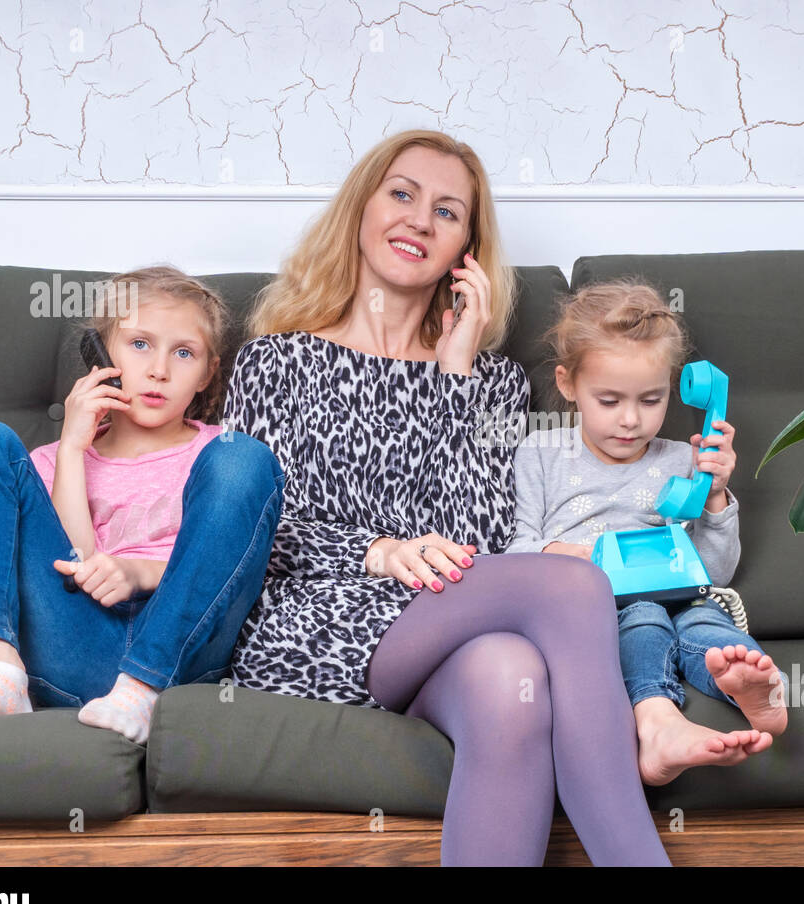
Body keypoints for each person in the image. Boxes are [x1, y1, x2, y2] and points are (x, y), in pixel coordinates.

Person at [223, 129, 670, 866]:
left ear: (468, 248)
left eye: (447, 211)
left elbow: (481, 543)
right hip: (314, 619)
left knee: (511, 679)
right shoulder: (279, 360)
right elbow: (259, 535)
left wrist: (453, 376)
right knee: (570, 586)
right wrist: (380, 550)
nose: (419, 220)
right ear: (361, 210)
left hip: (439, 619)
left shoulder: (491, 382)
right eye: (401, 194)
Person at [0, 267, 285, 745]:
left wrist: (140, 573)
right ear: (100, 355)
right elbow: (74, 566)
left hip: (178, 659)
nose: (159, 370)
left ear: (208, 373)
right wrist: (72, 447)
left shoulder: (223, 456)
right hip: (69, 647)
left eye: (183, 352)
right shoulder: (51, 461)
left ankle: (141, 690)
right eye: (139, 344)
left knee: (246, 457)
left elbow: (231, 564)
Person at [505, 280, 788, 786]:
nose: (631, 421)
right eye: (609, 400)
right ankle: (658, 718)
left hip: (680, 594)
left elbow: (714, 573)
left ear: (674, 389)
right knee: (644, 614)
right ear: (568, 385)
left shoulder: (683, 460)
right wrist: (569, 554)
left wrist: (716, 494)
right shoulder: (540, 454)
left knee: (706, 619)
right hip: (595, 603)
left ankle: (749, 683)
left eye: (651, 399)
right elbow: (513, 548)